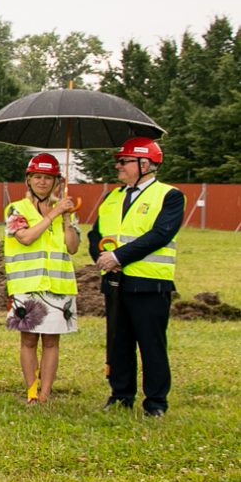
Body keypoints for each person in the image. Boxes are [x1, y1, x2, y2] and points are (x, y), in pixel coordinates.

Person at [90, 137, 183, 416]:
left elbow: (160, 234)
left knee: (151, 344)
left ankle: (155, 402)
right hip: (116, 282)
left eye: (124, 161)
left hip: (149, 283)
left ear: (145, 164)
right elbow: (96, 233)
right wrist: (102, 256)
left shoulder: (169, 195)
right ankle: (120, 395)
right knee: (118, 343)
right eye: (118, 161)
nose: (118, 166)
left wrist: (119, 257)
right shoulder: (112, 197)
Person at [2, 153, 81, 404]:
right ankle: (32, 391)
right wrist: (53, 214)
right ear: (28, 180)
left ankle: (46, 393)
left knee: (51, 341)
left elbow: (72, 247)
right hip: (28, 285)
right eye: (37, 177)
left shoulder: (65, 210)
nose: (42, 182)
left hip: (58, 286)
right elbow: (24, 237)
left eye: (48, 178)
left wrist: (66, 219)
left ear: (57, 181)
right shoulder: (16, 208)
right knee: (28, 339)